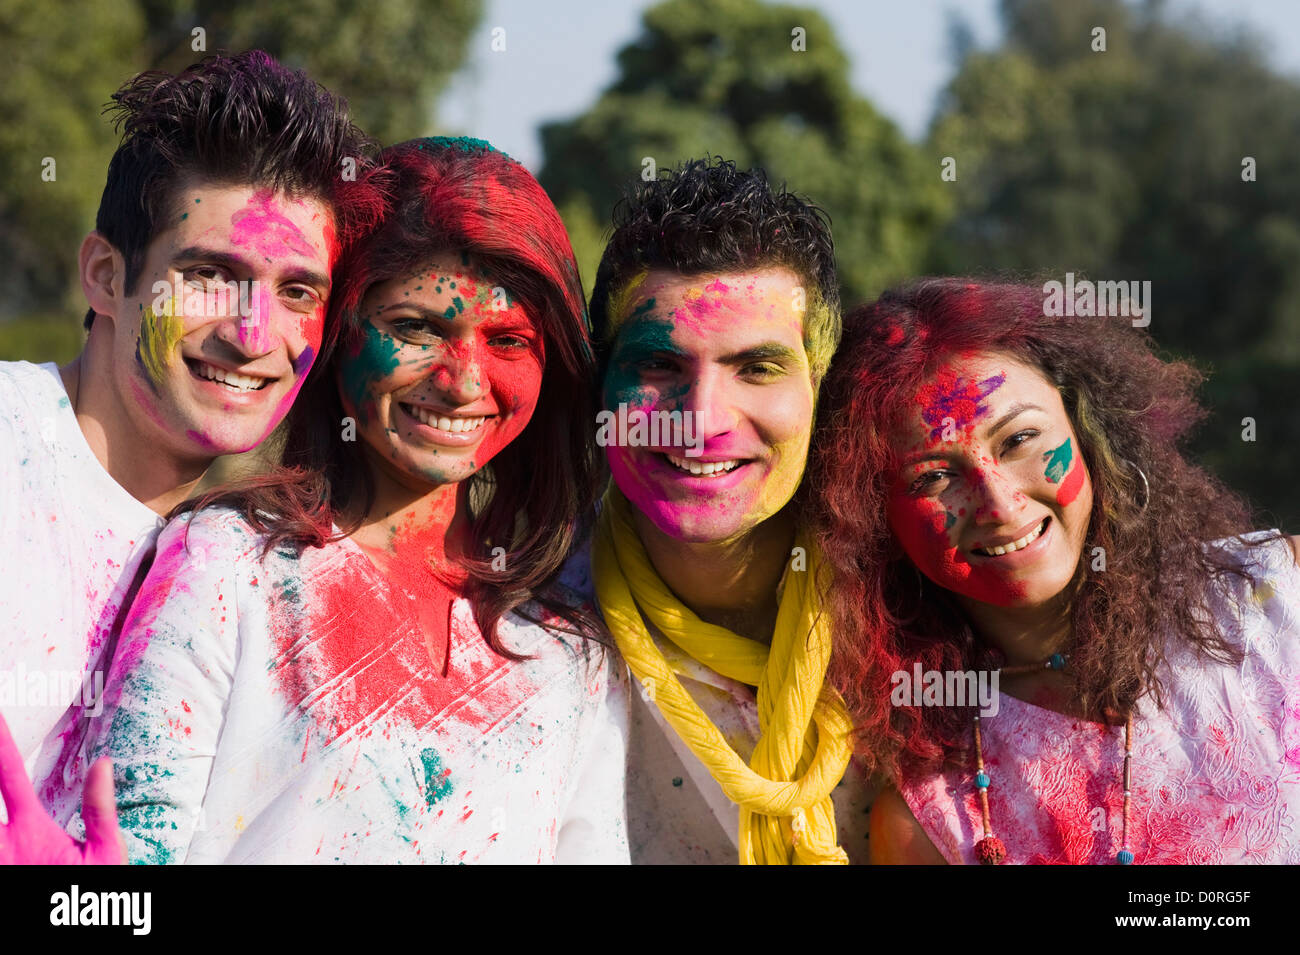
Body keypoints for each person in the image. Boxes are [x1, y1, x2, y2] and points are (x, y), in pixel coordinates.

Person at [50, 137, 627, 864]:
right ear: (338, 333)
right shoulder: (233, 564)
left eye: (508, 338)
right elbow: (119, 864)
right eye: (416, 328)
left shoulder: (570, 645)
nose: (463, 380)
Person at [0, 49, 382, 817]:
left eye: (297, 290)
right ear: (108, 277)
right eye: (210, 274)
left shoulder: (242, 558)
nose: (253, 336)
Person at [809, 278, 1300, 865]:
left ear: (1092, 434)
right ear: (872, 522)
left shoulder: (1278, 601)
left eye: (1019, 439)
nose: (999, 504)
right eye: (933, 478)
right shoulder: (932, 820)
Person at [589, 157, 873, 865]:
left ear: (822, 388)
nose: (701, 420)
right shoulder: (530, 636)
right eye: (658, 365)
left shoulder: (918, 608)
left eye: (758, 367)